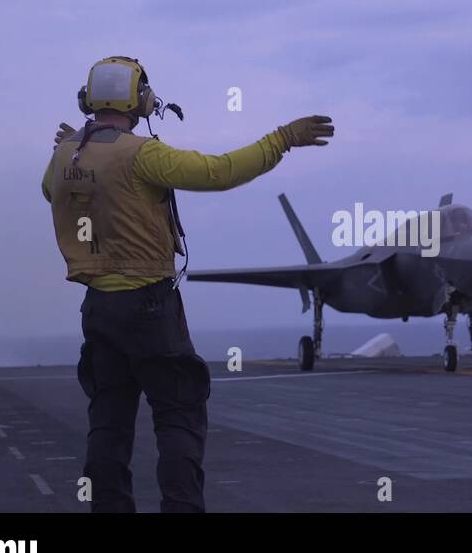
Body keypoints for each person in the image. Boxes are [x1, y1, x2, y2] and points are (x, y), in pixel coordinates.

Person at [43, 56, 333, 513]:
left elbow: (54, 190)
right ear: (141, 99)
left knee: (108, 423)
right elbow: (220, 172)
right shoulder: (144, 155)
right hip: (150, 308)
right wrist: (283, 139)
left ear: (88, 99)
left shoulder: (64, 155)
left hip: (98, 309)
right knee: (178, 416)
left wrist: (77, 149)